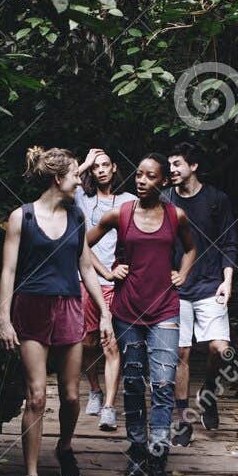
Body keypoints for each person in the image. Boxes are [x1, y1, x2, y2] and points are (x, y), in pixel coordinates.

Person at [0, 147, 114, 476]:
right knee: (35, 396)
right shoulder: (23, 217)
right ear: (57, 180)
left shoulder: (76, 216)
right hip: (30, 308)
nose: (81, 179)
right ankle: (31, 475)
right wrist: (3, 318)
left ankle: (64, 447)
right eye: (76, 176)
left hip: (69, 308)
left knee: (72, 396)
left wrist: (104, 313)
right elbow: (9, 271)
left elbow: (85, 268)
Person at [85, 154, 196, 476]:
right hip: (128, 310)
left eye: (150, 176)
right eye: (138, 175)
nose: (141, 180)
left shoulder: (176, 216)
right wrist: (106, 272)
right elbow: (81, 244)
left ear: (163, 182)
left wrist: (183, 272)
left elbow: (191, 249)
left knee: (162, 384)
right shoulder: (121, 214)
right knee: (133, 382)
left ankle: (158, 459)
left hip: (165, 309)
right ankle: (136, 448)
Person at [164, 140, 238, 446]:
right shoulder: (166, 199)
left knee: (219, 349)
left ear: (193, 166)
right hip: (178, 289)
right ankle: (183, 419)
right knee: (181, 352)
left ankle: (208, 389)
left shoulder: (216, 200)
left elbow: (229, 242)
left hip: (210, 285)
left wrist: (227, 280)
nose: (172, 170)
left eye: (177, 164)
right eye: (170, 165)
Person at [75, 148, 135, 432]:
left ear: (114, 168)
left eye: (104, 165)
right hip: (85, 280)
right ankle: (95, 390)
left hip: (116, 283)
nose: (100, 170)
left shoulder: (128, 201)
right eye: (95, 167)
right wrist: (84, 164)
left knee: (110, 342)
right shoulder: (82, 199)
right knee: (88, 343)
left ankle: (109, 407)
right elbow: (63, 181)